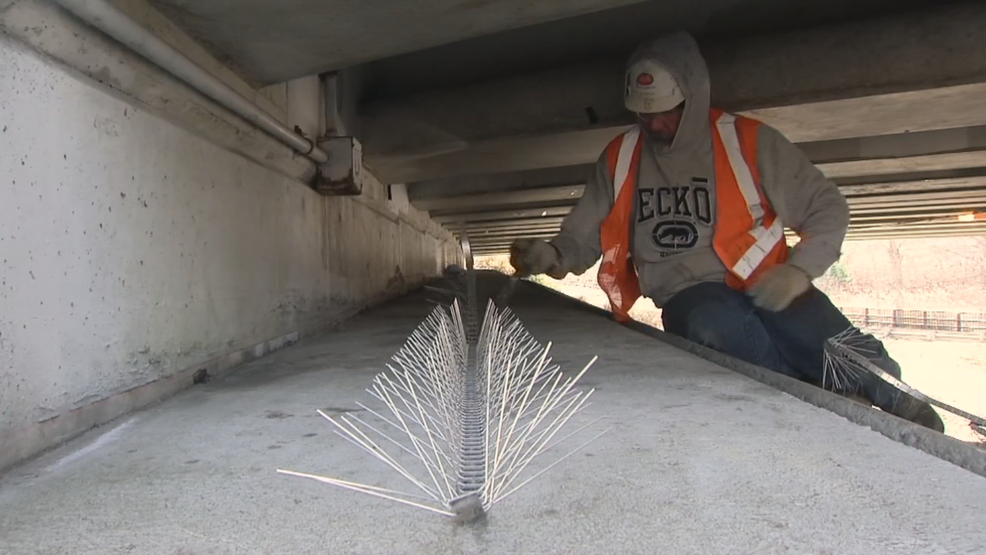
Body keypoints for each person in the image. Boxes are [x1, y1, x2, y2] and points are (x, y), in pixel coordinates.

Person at [509, 31, 944, 432]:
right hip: (690, 293)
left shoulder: (747, 142)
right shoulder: (620, 157)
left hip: (768, 280)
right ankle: (812, 408)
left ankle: (904, 404)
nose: (655, 124)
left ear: (694, 98)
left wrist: (799, 271)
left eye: (667, 113)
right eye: (645, 115)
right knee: (719, 325)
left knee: (817, 329)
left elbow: (826, 207)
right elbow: (584, 233)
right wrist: (554, 255)